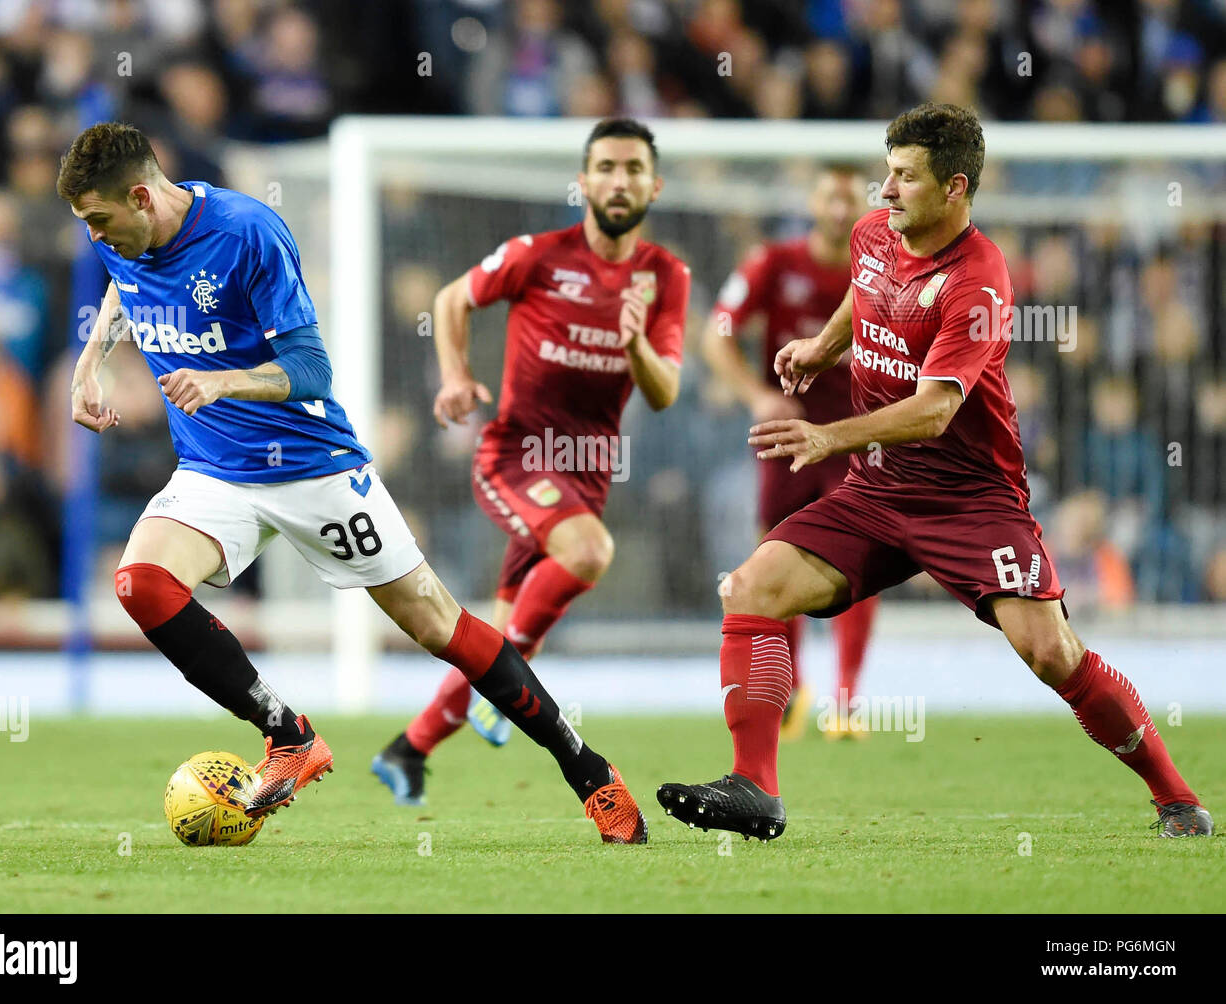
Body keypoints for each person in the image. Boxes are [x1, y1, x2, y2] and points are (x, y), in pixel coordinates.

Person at [58, 122, 646, 843]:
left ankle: (590, 772)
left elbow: (311, 371)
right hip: (214, 470)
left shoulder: (248, 233)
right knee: (141, 583)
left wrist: (225, 383)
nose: (95, 238)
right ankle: (288, 736)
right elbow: (127, 283)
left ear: (143, 196)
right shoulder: (124, 239)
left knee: (440, 627)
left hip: (314, 467)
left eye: (99, 221)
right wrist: (92, 361)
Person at [659, 103, 1212, 841]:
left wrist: (828, 438)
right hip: (879, 489)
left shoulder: (979, 282)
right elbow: (866, 288)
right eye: (886, 172)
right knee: (753, 585)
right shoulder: (873, 233)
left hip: (969, 500)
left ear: (955, 188)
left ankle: (1177, 797)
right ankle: (756, 787)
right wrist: (824, 348)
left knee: (1051, 654)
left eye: (904, 177)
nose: (885, 190)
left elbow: (933, 412)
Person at [371, 118, 688, 806]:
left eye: (634, 168)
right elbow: (451, 297)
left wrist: (635, 345)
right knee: (589, 553)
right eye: (605, 166)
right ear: (583, 182)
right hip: (516, 456)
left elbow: (664, 393)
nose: (619, 179)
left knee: (495, 641)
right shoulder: (538, 255)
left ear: (653, 185)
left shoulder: (666, 275)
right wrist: (454, 376)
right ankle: (504, 685)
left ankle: (408, 749)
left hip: (588, 472)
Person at [704, 164, 878, 741]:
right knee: (779, 558)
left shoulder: (880, 269)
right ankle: (794, 694)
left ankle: (847, 702)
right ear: (812, 200)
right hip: (786, 439)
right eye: (830, 194)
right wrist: (756, 396)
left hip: (855, 438)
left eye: (849, 198)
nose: (838, 207)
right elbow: (716, 333)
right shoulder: (772, 262)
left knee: (855, 562)